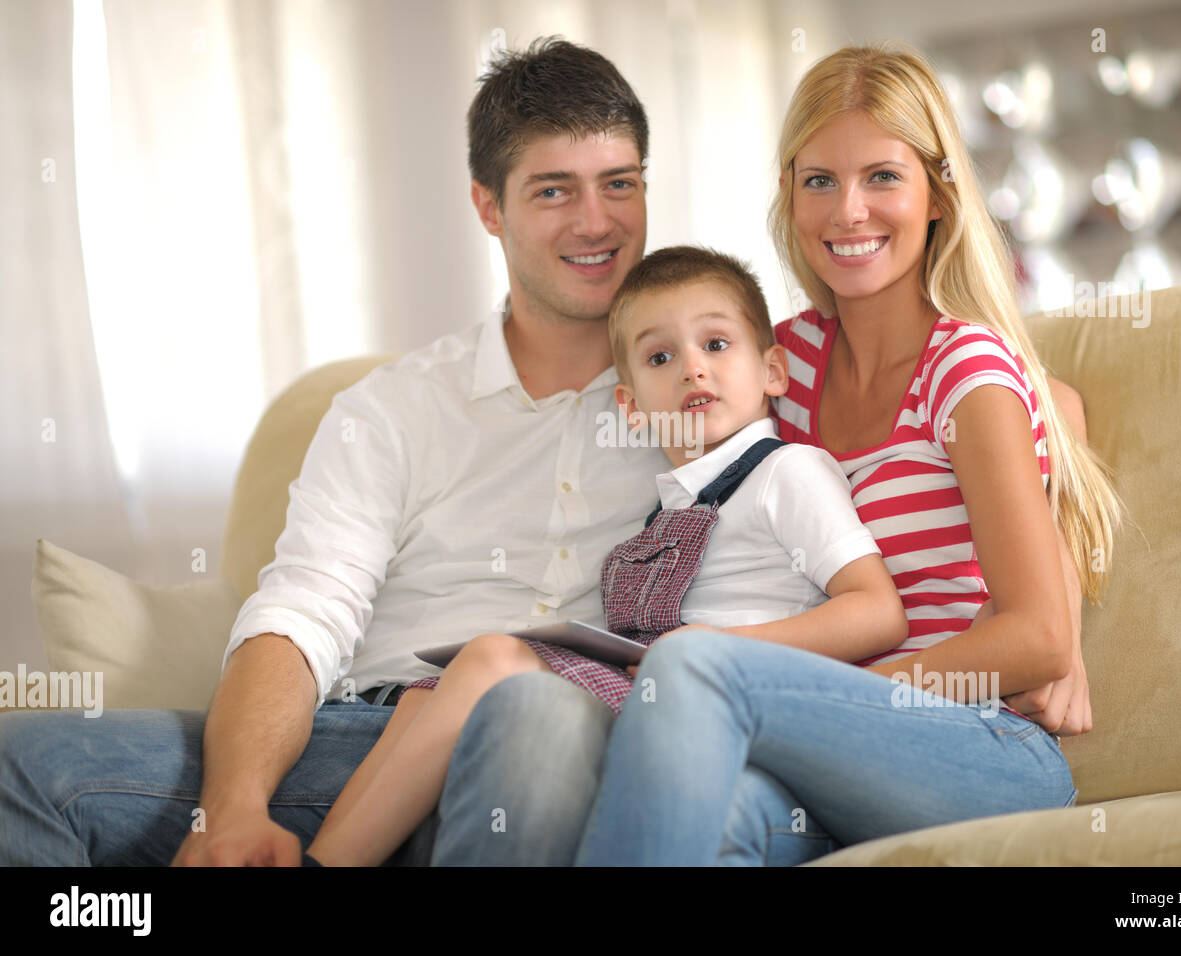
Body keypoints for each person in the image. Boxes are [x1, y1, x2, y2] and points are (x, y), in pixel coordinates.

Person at [0, 37, 1089, 869]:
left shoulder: (727, 382)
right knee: (28, 761)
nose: (596, 220)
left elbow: (1026, 398)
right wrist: (233, 803)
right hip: (362, 741)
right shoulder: (400, 410)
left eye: (619, 183)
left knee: (530, 706)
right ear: (488, 205)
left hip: (567, 743)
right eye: (553, 190)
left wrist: (1056, 621)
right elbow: (300, 610)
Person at [573, 41, 1124, 865]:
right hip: (830, 755)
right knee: (712, 816)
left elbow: (1038, 639)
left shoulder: (964, 370)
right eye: (819, 181)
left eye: (883, 178)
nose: (848, 213)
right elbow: (1061, 404)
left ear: (938, 194)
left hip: (980, 746)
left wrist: (842, 694)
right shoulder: (776, 366)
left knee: (694, 669)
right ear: (789, 195)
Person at [300, 246, 908, 865]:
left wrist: (709, 654)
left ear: (773, 370)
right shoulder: (669, 508)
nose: (693, 370)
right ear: (632, 409)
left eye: (717, 345)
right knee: (433, 688)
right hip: (654, 700)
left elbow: (878, 612)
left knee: (489, 656)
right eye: (661, 357)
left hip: (726, 715)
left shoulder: (788, 473)